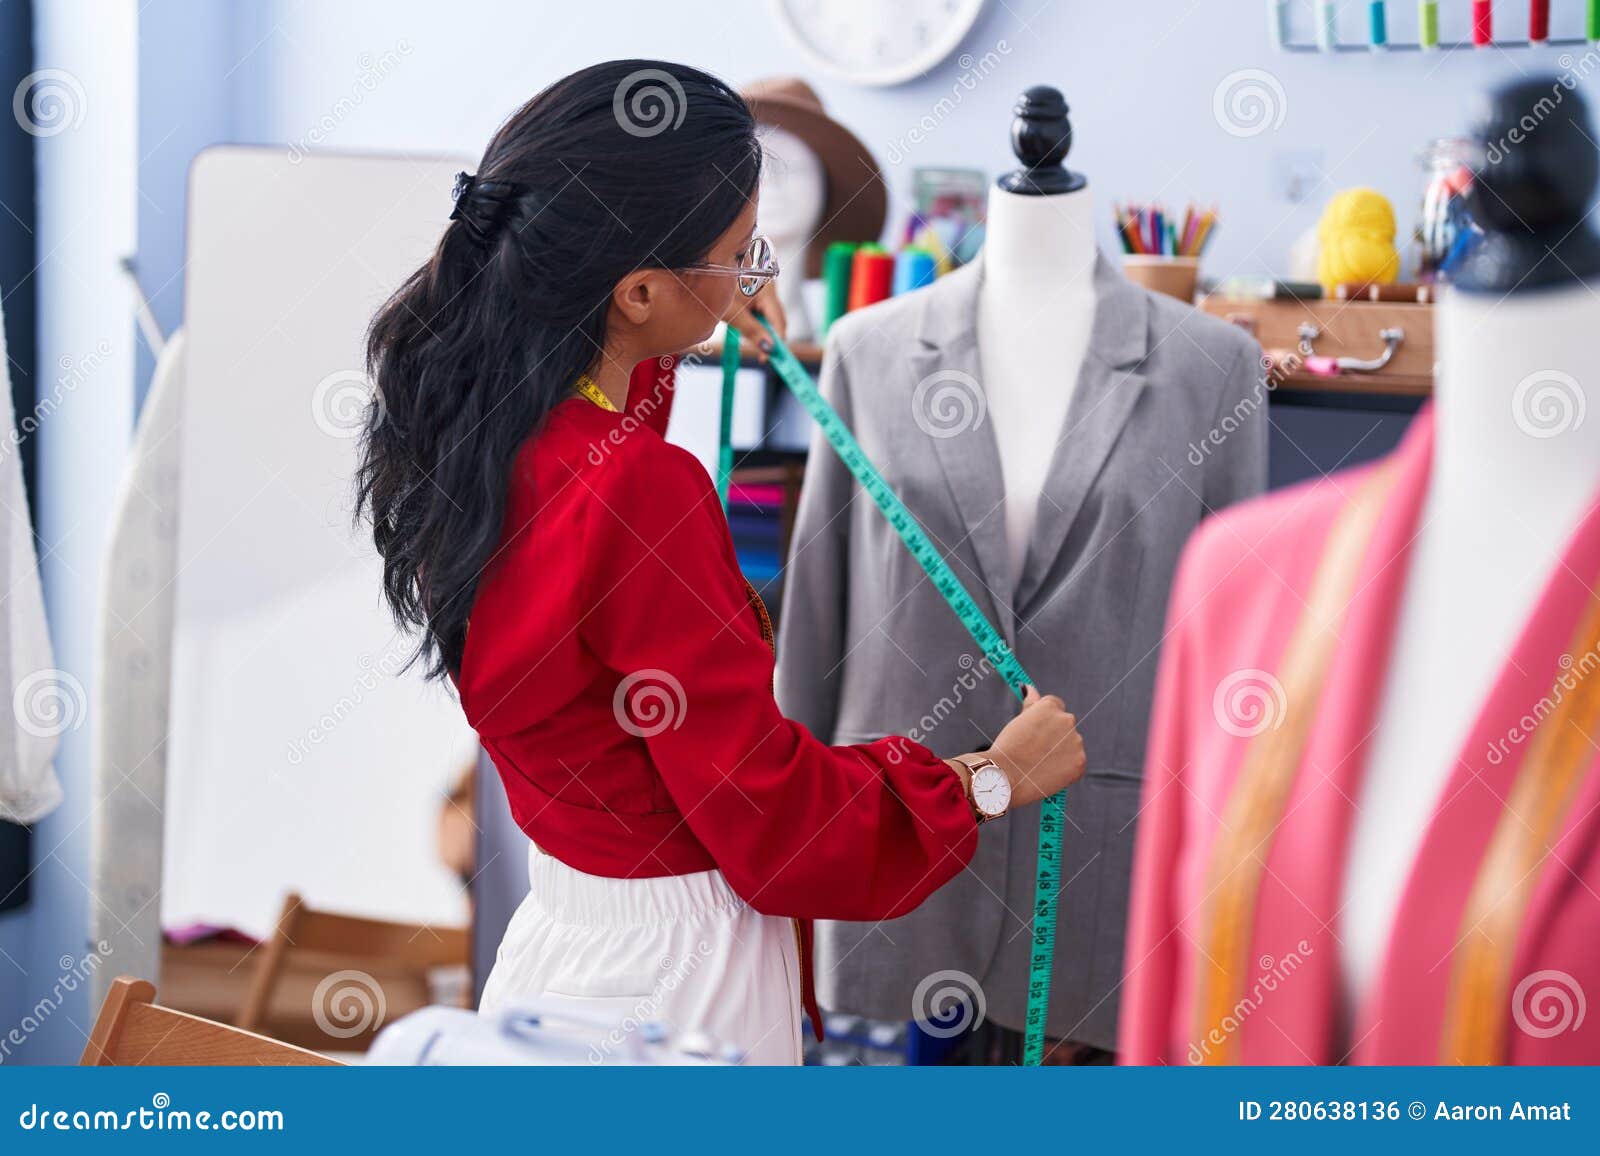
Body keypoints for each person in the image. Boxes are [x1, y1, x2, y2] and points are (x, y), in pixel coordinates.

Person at [356, 59, 1085, 1065]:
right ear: (639, 289)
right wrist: (987, 779)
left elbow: (602, 470)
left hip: (561, 951)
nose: (758, 278)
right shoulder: (642, 490)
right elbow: (779, 822)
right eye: (743, 254)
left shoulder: (486, 436)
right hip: (681, 984)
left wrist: (677, 332)